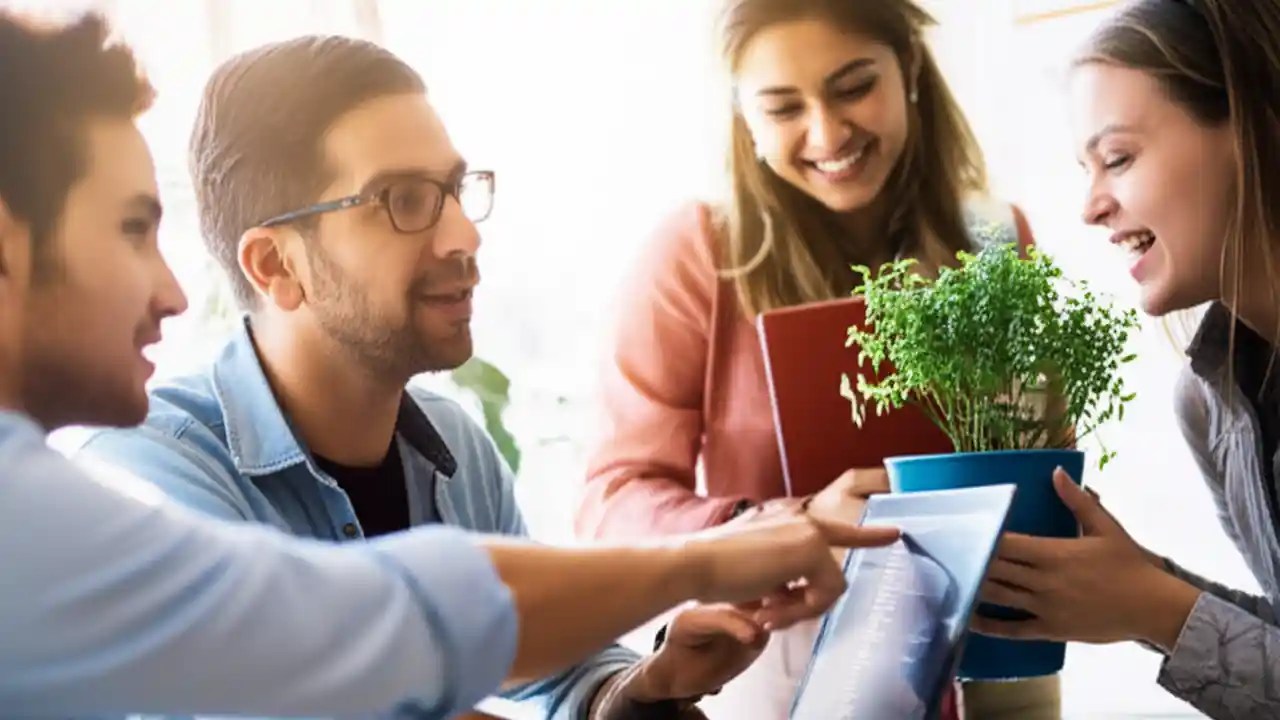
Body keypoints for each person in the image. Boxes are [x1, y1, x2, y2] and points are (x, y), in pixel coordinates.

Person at [0, 10, 899, 717]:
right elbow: (348, 656)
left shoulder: (454, 446)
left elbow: (558, 672)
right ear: (273, 266)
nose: (465, 235)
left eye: (455, 191)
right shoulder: (143, 473)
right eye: (403, 201)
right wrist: (707, 556)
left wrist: (639, 689)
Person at [574, 0, 1055, 717]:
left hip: (994, 672)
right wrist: (785, 524)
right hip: (790, 678)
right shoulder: (697, 256)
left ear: (909, 66)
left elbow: (1039, 451)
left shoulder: (993, 239)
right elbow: (610, 504)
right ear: (743, 115)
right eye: (782, 108)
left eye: (854, 87)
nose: (828, 133)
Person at [973, 1, 1280, 718]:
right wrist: (1136, 587)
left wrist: (1158, 609)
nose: (1090, 207)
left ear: (1252, 126)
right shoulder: (1211, 401)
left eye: (1117, 159)